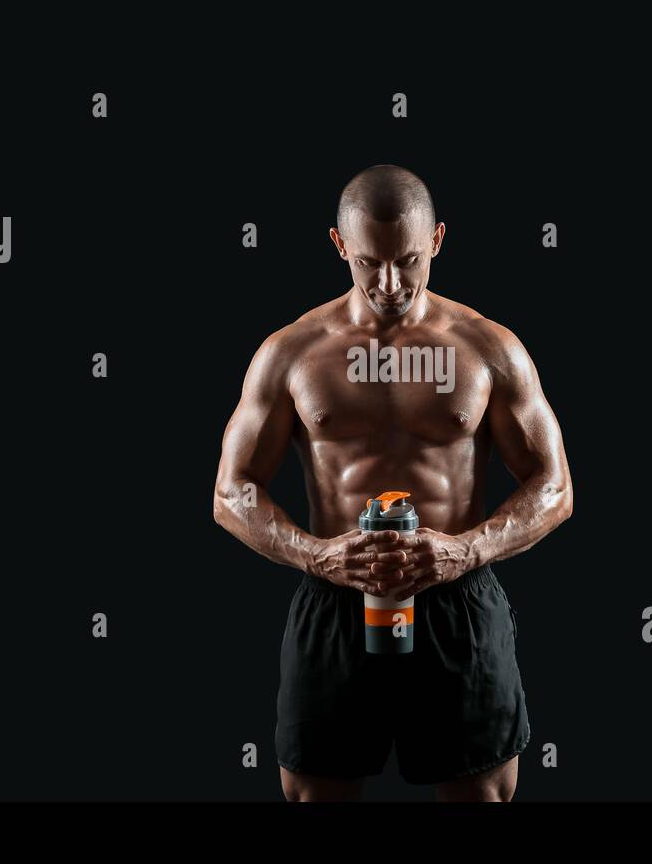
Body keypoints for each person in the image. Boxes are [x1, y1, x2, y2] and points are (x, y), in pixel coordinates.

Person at [214, 164, 573, 800]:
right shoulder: (291, 352)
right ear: (339, 246)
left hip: (457, 599)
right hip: (336, 597)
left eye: (408, 260)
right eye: (368, 262)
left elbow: (555, 486)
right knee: (314, 794)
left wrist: (468, 550)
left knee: (482, 795)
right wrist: (316, 555)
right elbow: (231, 492)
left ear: (436, 239)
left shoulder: (488, 348)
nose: (389, 283)